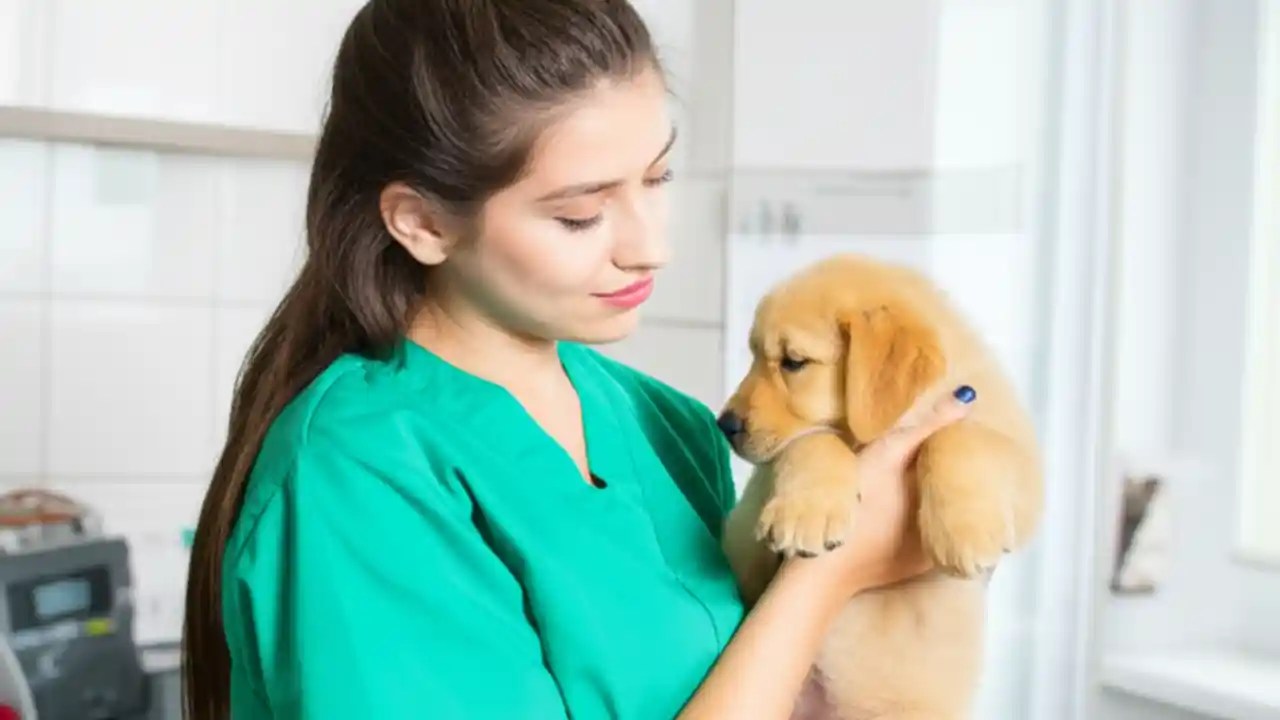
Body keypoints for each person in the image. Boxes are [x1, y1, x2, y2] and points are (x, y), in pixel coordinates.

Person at [181, 1, 974, 718]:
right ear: (423, 223)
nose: (650, 248)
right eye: (580, 215)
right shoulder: (358, 476)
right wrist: (829, 577)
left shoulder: (665, 426)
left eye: (657, 178)